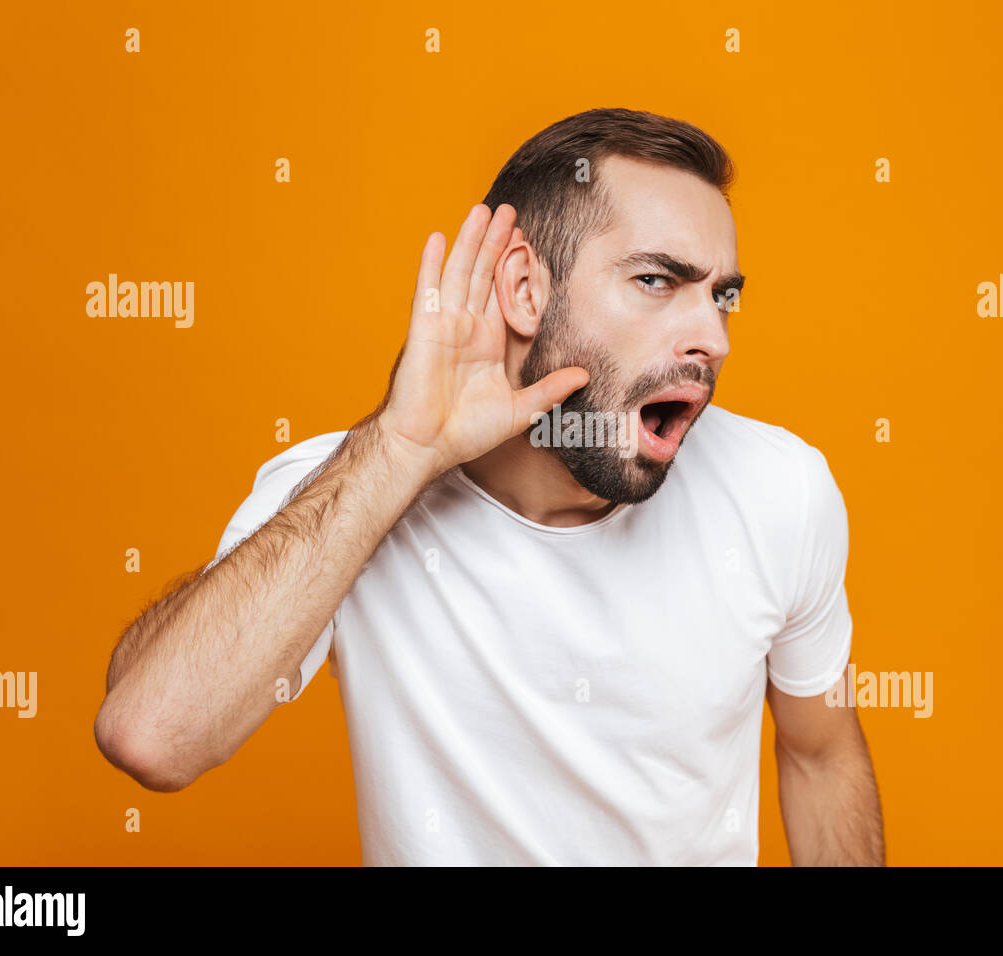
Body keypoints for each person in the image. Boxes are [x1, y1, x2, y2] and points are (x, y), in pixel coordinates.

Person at [94, 107, 885, 866]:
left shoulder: (779, 488)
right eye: (655, 280)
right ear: (522, 291)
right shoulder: (347, 492)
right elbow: (153, 736)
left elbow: (820, 754)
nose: (711, 339)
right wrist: (400, 451)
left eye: (721, 297)